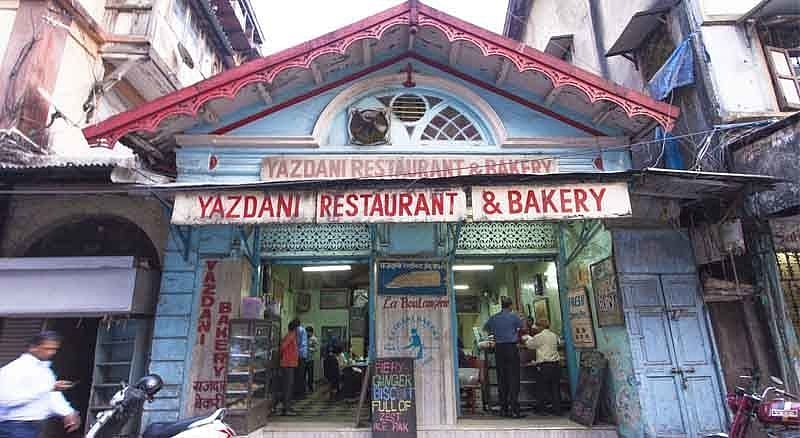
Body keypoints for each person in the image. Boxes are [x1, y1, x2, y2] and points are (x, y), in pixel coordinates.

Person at [0, 331, 81, 438]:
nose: (52, 352)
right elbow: (5, 400)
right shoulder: (14, 369)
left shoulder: (44, 370)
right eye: (47, 349)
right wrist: (49, 388)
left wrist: (68, 412)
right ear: (33, 348)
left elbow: (50, 395)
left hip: (31, 427)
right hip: (14, 426)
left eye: (54, 349)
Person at [483, 296, 524, 418]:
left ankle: (503, 409)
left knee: (502, 379)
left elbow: (486, 328)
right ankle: (515, 410)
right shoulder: (513, 316)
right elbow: (522, 327)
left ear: (501, 305)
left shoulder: (494, 318)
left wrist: (495, 333)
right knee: (514, 379)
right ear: (510, 305)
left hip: (499, 349)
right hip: (511, 348)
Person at [523, 319, 562, 415]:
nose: (536, 328)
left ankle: (542, 409)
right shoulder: (554, 335)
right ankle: (557, 409)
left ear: (541, 327)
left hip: (544, 365)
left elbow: (529, 345)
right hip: (555, 364)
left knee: (542, 387)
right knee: (555, 388)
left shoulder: (539, 336)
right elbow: (559, 343)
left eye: (537, 326)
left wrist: (527, 338)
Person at [278, 320, 300, 415]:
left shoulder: (292, 335)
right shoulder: (291, 335)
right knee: (287, 387)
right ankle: (286, 409)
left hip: (290, 364)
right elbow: (282, 347)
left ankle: (288, 407)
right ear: (295, 328)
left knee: (289, 387)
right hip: (287, 364)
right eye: (298, 327)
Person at [294, 319, 308, 398]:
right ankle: (302, 393)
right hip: (303, 355)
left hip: (299, 355)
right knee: (301, 375)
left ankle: (299, 394)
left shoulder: (298, 330)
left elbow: (297, 343)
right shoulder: (303, 330)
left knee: (298, 375)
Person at [306, 326, 319, 393]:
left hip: (310, 359)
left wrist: (309, 349)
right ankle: (304, 389)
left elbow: (316, 349)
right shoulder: (304, 338)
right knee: (303, 374)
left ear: (311, 332)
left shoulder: (314, 339)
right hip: (304, 359)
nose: (307, 333)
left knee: (310, 374)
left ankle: (310, 388)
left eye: (308, 332)